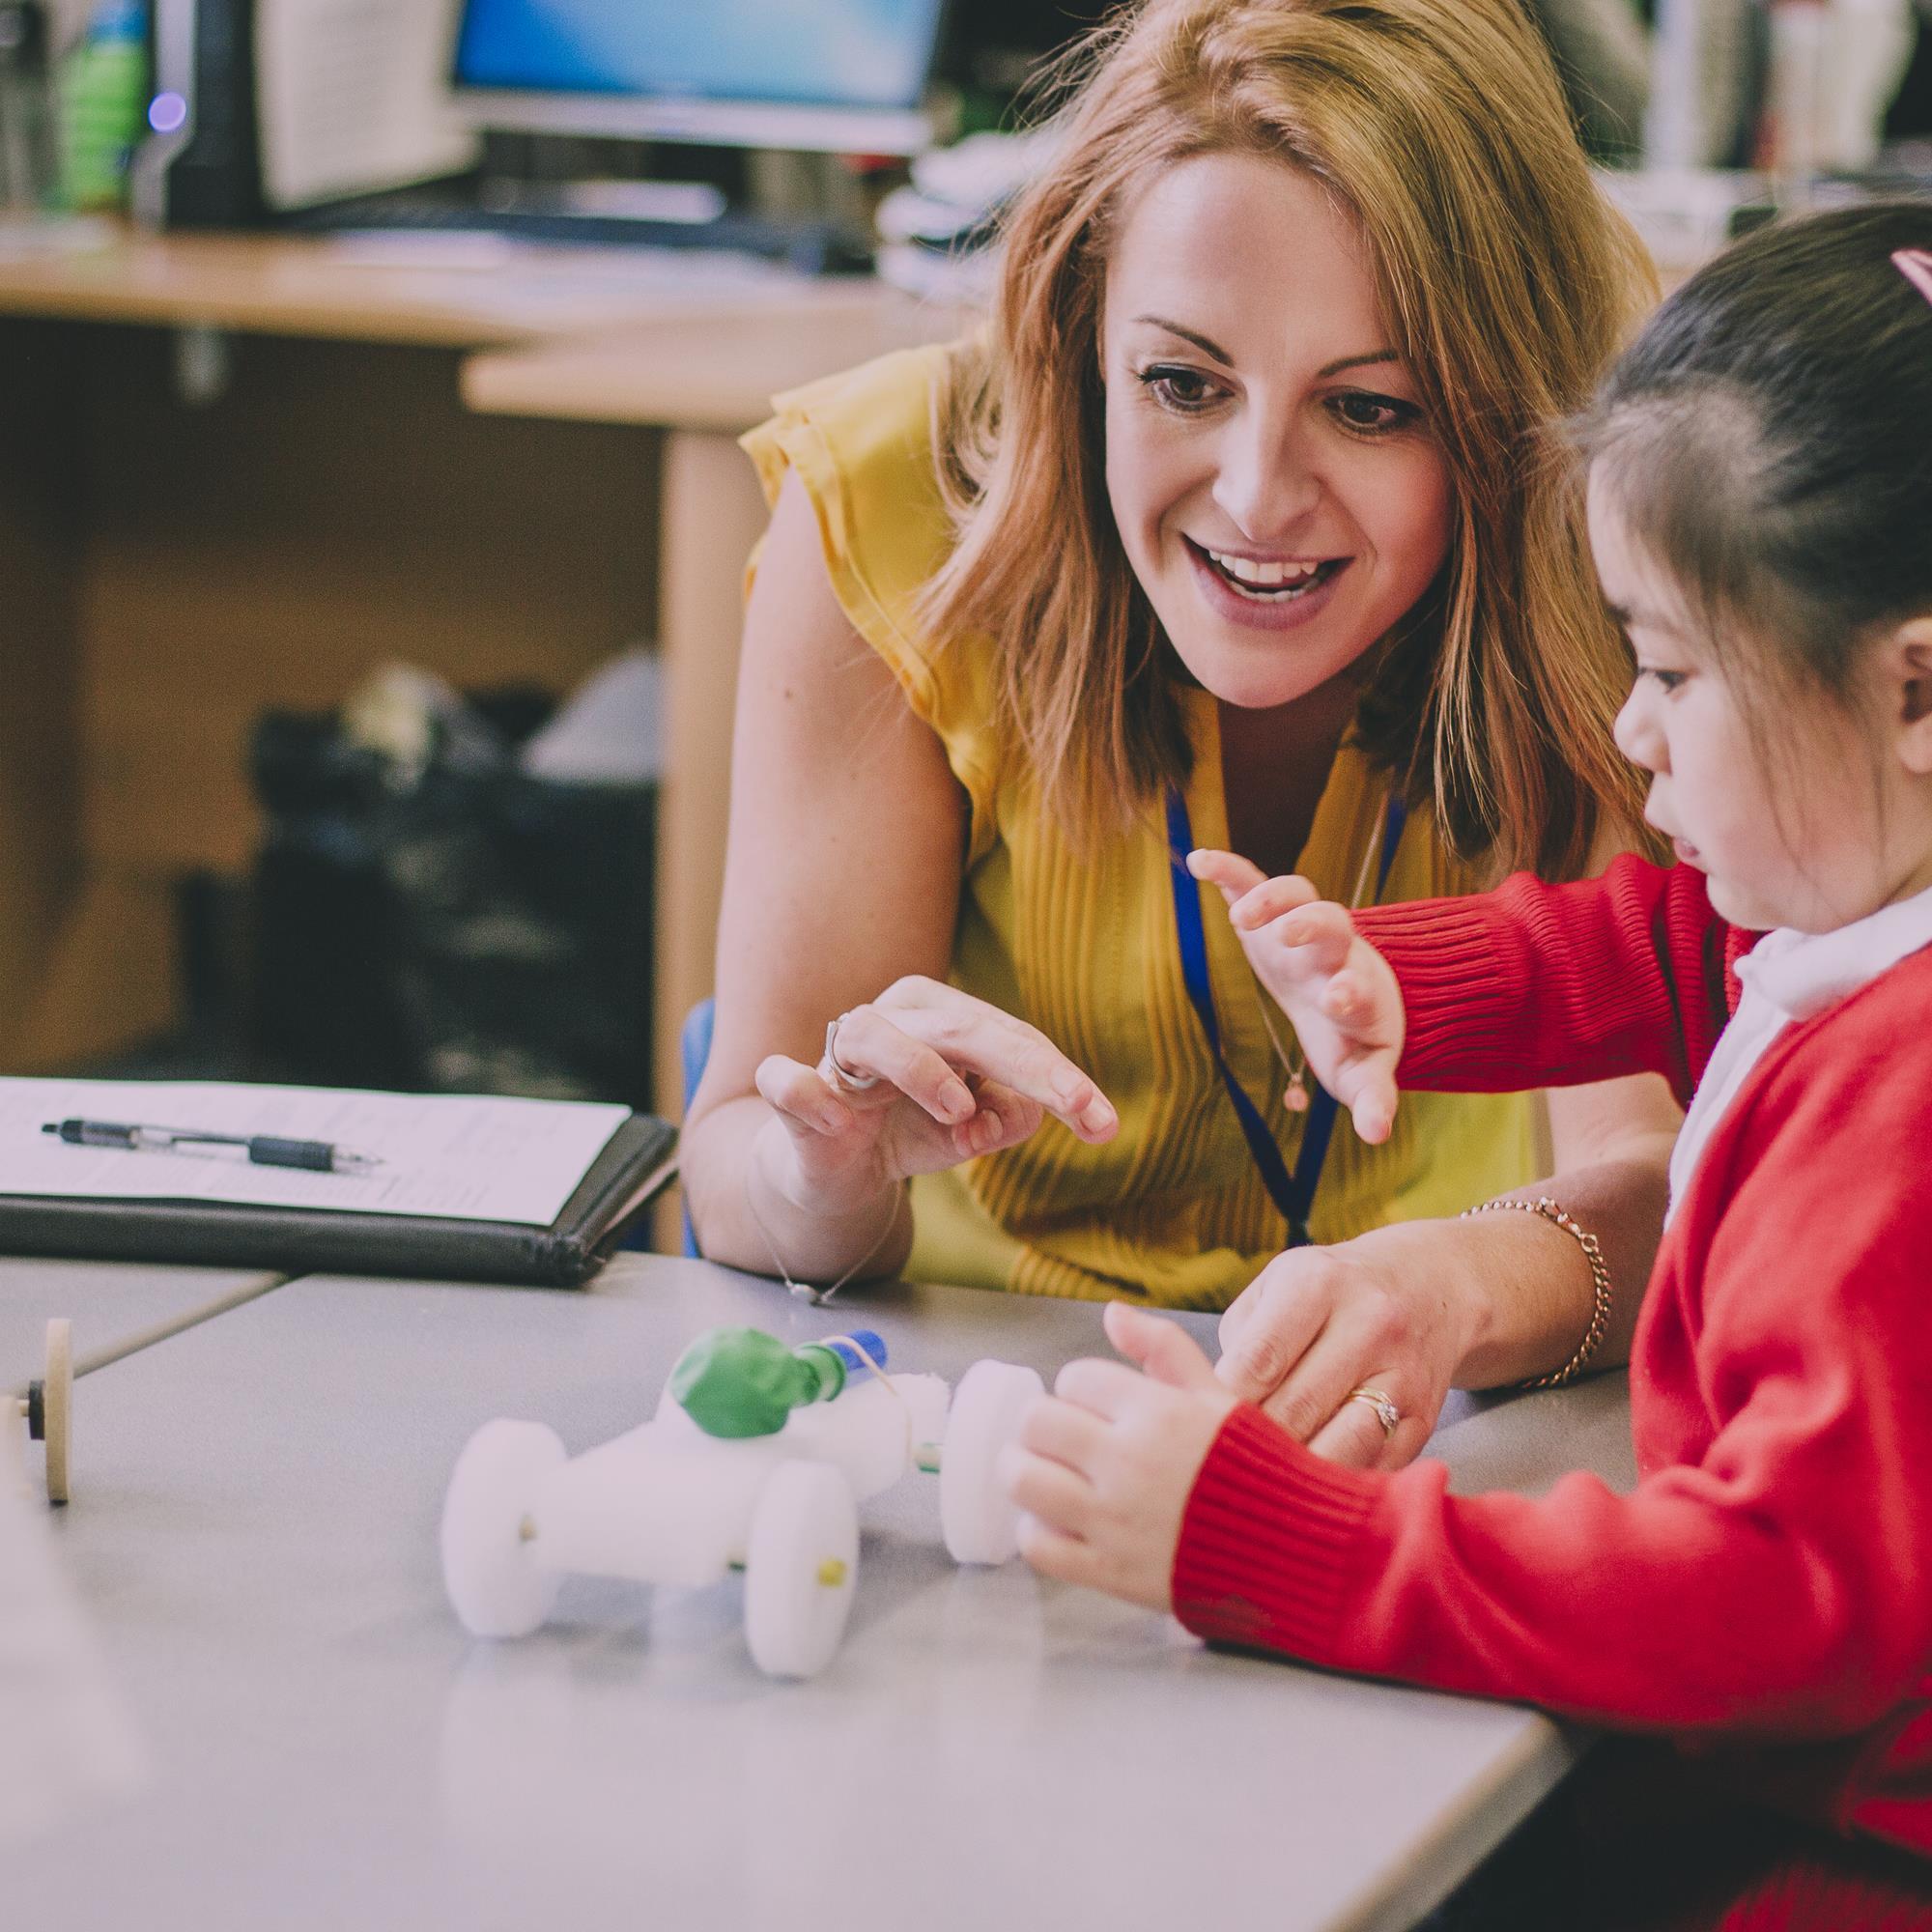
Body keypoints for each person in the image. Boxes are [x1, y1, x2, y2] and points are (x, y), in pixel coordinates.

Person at [1007, 202, 1932, 1925]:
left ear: (1917, 694)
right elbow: (1680, 954)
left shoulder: (1907, 1110)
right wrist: (1399, 982)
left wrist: (1273, 1543)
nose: (1633, 727)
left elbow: (1769, 1599)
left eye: (1668, 669)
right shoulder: (1869, 918)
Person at [681, 0, 1686, 1472]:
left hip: (1435, 1464)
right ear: (1082, 333)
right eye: (1182, 383)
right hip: (963, 1444)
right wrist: (821, 1174)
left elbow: (1670, 1186)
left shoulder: (1603, 544)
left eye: (1371, 406)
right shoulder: (903, 504)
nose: (1259, 496)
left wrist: (1455, 1287)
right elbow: (730, 1171)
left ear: (1500, 412)